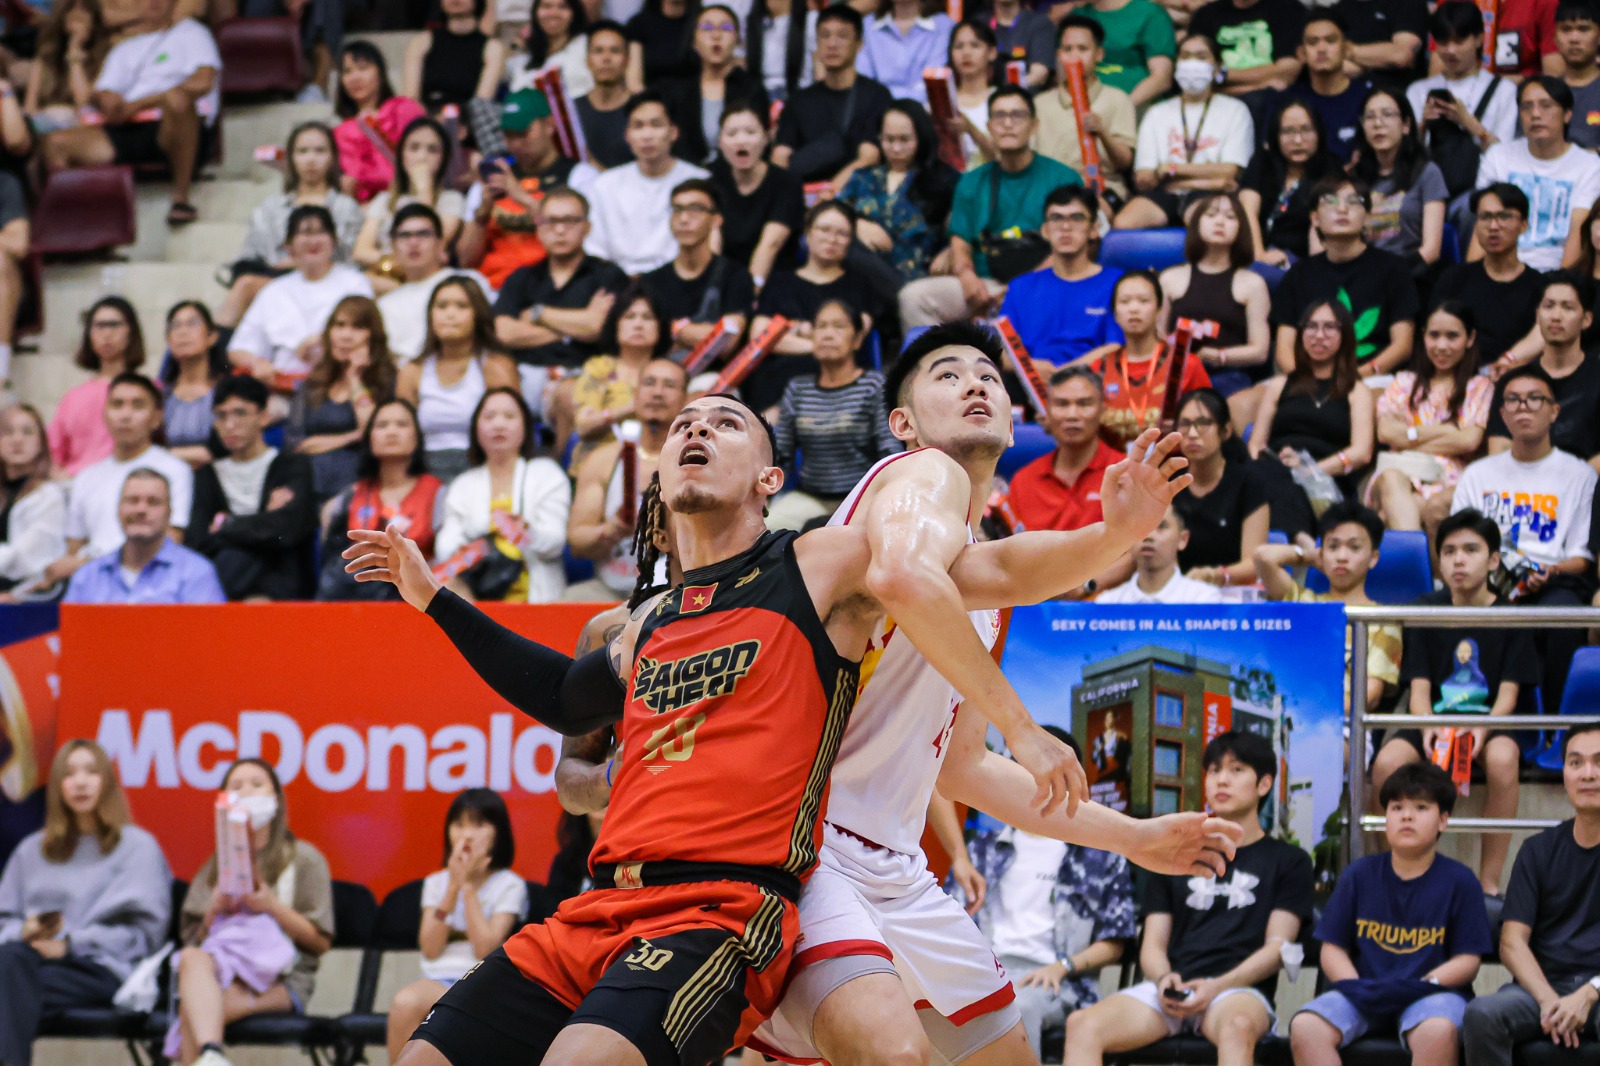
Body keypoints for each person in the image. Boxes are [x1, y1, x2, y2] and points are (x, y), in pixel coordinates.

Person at [351, 329, 1225, 1066]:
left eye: (990, 376)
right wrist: (1029, 719)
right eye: (947, 374)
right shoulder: (906, 489)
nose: (975, 384)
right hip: (797, 852)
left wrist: (1131, 835)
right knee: (887, 1053)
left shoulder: (944, 583)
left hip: (874, 863)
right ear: (900, 424)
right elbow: (572, 715)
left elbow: (963, 758)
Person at [1064, 731, 1314, 1066]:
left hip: (1237, 992)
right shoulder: (1175, 854)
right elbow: (1153, 944)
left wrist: (1217, 986)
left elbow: (1277, 948)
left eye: (1237, 770)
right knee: (1082, 1024)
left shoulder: (1289, 861)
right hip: (1173, 988)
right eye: (1214, 770)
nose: (1221, 780)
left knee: (1238, 1028)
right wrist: (1163, 979)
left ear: (1264, 784)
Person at [1370, 509, 1540, 895]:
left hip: (1491, 719)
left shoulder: (1514, 617)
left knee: (1503, 759)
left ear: (1493, 560)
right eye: (1448, 551)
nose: (1458, 560)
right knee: (1386, 763)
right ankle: (1389, 872)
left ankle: (1489, 883)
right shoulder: (1424, 610)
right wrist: (1429, 726)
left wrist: (1480, 728)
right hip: (1432, 716)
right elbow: (1419, 692)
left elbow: (1508, 696)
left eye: (1470, 550)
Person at [942, 729, 1137, 1057]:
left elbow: (1116, 942)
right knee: (927, 1005)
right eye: (1020, 769)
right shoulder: (982, 851)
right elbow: (947, 921)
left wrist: (1063, 966)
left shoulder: (1099, 856)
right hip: (986, 971)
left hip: (1057, 978)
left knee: (1016, 1007)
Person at [1289, 762, 1492, 1066]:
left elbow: (1468, 960)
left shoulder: (1461, 881)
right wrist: (1356, 986)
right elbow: (1332, 948)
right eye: (1397, 808)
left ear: (1443, 821)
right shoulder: (1358, 875)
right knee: (1306, 1027)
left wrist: (1428, 982)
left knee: (1438, 1031)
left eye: (1421, 807)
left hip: (1432, 994)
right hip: (1363, 991)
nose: (1406, 816)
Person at [0, 739, 171, 1066]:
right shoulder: (30, 851)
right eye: (69, 774)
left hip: (100, 970)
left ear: (107, 781)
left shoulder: (138, 848)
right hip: (27, 964)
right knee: (10, 971)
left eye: (91, 772)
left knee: (8, 985)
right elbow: (4, 923)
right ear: (56, 786)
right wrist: (25, 932)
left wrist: (68, 944)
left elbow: (143, 938)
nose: (80, 782)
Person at [1453, 363, 1596, 718]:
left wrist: (1548, 571)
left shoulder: (1579, 475)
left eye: (1534, 399)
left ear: (1554, 411)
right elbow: (1459, 541)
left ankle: (1558, 728)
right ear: (1502, 414)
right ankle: (1475, 720)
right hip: (1490, 580)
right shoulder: (1477, 474)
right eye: (1513, 400)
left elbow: (1582, 557)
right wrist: (1499, 573)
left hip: (1554, 582)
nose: (1523, 408)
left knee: (1565, 616)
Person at [170, 758, 333, 1066]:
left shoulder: (305, 860)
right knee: (191, 960)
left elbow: (320, 942)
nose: (246, 792)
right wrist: (215, 909)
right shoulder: (214, 866)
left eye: (257, 785)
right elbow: (193, 940)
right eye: (236, 786)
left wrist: (271, 906)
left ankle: (210, 1053)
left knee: (194, 1011)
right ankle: (211, 1054)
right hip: (223, 972)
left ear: (276, 799)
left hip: (284, 979)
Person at [1461, 723, 1600, 1066]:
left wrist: (1589, 993)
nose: (1588, 774)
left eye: (1599, 762)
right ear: (1564, 774)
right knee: (1482, 1015)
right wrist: (1549, 1000)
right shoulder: (1537, 850)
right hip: (1541, 985)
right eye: (1576, 762)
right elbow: (1511, 942)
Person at [900, 86, 1081, 328]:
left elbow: (1078, 244)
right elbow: (960, 241)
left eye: (1017, 115)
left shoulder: (1062, 178)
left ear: (1034, 125)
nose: (1008, 124)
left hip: (1047, 281)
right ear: (989, 126)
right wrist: (967, 276)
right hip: (987, 285)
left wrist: (1021, 289)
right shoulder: (972, 181)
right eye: (999, 116)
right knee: (914, 298)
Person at [40, 0, 219, 226]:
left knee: (177, 100)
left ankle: (181, 199)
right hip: (128, 128)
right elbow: (103, 91)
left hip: (173, 128)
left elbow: (203, 82)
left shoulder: (192, 33)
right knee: (56, 143)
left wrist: (141, 104)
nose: (153, 2)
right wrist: (107, 100)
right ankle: (71, 222)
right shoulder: (124, 47)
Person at [384, 789, 528, 1066]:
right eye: (459, 824)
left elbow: (485, 949)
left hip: (482, 982)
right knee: (405, 1003)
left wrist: (468, 887)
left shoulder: (510, 885)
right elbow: (430, 948)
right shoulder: (436, 883)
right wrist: (453, 886)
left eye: (479, 824)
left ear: (498, 833)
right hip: (436, 979)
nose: (467, 835)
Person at [1255, 502, 1403, 718]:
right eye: (1333, 547)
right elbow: (1263, 557)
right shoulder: (1303, 602)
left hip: (1345, 724)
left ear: (1373, 558)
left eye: (1354, 548)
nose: (1342, 556)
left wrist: (1312, 713)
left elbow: (1369, 698)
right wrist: (1308, 556)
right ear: (1321, 553)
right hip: (1287, 717)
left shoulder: (1382, 620)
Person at [47, 374, 194, 589]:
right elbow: (74, 548)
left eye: (137, 405)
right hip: (92, 587)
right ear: (104, 414)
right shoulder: (87, 477)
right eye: (117, 405)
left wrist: (87, 563)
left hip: (152, 585)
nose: (125, 415)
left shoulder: (175, 470)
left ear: (156, 418)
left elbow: (171, 542)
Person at [768, 300, 900, 531]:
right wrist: (763, 497)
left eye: (839, 326)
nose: (828, 334)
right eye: (821, 326)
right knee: (767, 529)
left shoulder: (874, 385)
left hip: (861, 498)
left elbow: (889, 451)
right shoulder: (798, 389)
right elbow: (781, 455)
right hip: (810, 497)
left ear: (857, 339)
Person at [220, 121, 365, 330]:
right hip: (275, 282)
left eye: (320, 151)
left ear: (333, 157)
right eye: (302, 151)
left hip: (328, 283)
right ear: (291, 159)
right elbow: (249, 257)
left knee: (246, 286)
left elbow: (352, 261)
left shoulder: (346, 207)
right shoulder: (269, 209)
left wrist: (300, 263)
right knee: (244, 285)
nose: (311, 159)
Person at [1270, 175, 1418, 377]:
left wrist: (1357, 377)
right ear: (1315, 218)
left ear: (1367, 217)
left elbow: (1402, 345)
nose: (1342, 209)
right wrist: (1306, 381)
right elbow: (1284, 349)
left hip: (1371, 378)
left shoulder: (1393, 269)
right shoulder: (1298, 274)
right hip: (1307, 380)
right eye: (1330, 202)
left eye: (1353, 202)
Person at [564, 358, 687, 599]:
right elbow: (577, 542)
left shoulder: (695, 460)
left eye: (669, 385)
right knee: (570, 600)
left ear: (685, 399)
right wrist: (611, 530)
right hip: (610, 589)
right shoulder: (603, 460)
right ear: (635, 394)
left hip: (676, 590)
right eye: (649, 383)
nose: (657, 392)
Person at [186, 376, 316, 602]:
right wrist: (264, 524)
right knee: (231, 559)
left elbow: (288, 530)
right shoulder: (207, 474)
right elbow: (198, 540)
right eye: (221, 416)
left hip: (281, 589)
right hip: (227, 584)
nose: (229, 425)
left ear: (263, 416)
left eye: (240, 413)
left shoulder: (292, 466)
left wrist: (226, 524)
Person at [435, 387, 571, 603]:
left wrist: (527, 532)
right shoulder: (462, 485)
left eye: (509, 416)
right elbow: (445, 547)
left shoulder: (547, 474)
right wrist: (472, 548)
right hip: (476, 598)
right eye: (489, 417)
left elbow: (555, 542)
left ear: (525, 426)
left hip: (536, 597)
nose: (498, 424)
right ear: (476, 428)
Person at [492, 186, 627, 398]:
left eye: (570, 221)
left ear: (587, 227)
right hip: (524, 373)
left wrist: (538, 314)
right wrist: (575, 327)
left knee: (568, 393)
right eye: (551, 221)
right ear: (539, 227)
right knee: (495, 368)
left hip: (584, 374)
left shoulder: (609, 275)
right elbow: (503, 332)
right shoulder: (522, 277)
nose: (560, 230)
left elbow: (598, 327)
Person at [1372, 303, 1494, 534]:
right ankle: (1414, 551)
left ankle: (1412, 553)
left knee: (1407, 509)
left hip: (1447, 481)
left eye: (1452, 336)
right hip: (1399, 473)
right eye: (1434, 335)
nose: (1441, 345)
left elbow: (1468, 441)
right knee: (1390, 478)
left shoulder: (1479, 386)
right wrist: (1445, 431)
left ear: (1470, 339)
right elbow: (1385, 432)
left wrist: (1406, 439)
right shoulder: (1404, 382)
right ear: (1424, 336)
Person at [747, 200, 879, 414]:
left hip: (836, 376)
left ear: (850, 240)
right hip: (777, 376)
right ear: (807, 233)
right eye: (824, 229)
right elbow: (760, 337)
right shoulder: (780, 282)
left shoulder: (859, 284)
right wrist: (821, 345)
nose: (832, 239)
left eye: (842, 233)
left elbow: (854, 336)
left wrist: (794, 331)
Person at [1114, 35, 1255, 231]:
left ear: (1217, 67)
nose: (1192, 63)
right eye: (1185, 56)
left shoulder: (1235, 110)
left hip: (1209, 195)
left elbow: (1230, 171)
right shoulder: (1156, 112)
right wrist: (1213, 180)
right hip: (1166, 194)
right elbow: (1144, 177)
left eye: (1201, 56)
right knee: (1123, 223)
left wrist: (1171, 169)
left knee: (1205, 225)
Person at [228, 205, 376, 386]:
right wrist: (257, 363)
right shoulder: (274, 290)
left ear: (334, 241)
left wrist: (321, 341)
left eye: (321, 232)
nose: (313, 240)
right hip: (282, 386)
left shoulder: (355, 283)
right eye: (305, 233)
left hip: (340, 382)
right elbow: (238, 349)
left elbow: (369, 333)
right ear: (288, 245)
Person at [316, 399, 446, 602]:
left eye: (401, 424)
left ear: (417, 437)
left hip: (419, 598)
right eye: (382, 425)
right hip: (358, 598)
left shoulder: (439, 493)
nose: (391, 432)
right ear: (370, 438)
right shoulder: (351, 496)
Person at [398, 277, 521, 483]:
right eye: (442, 306)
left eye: (461, 306)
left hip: (482, 469)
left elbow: (514, 432)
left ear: (478, 315)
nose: (450, 314)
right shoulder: (412, 371)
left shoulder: (496, 367)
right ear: (430, 315)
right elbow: (402, 435)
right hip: (424, 473)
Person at [1251, 299, 1377, 497]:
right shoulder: (1279, 385)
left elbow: (1362, 453)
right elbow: (1256, 445)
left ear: (1344, 335)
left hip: (1327, 485)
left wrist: (1310, 471)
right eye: (1311, 326)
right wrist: (1273, 467)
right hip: (1277, 475)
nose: (1319, 335)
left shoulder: (1357, 391)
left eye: (1329, 327)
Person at [457, 88, 580, 289]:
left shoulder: (577, 176)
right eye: (509, 135)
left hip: (551, 285)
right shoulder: (492, 178)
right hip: (492, 288)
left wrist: (522, 197)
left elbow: (578, 242)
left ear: (549, 125)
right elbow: (465, 261)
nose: (515, 143)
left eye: (523, 133)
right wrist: (482, 214)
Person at [1405, 2, 1518, 220]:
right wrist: (1423, 126)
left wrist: (1468, 122)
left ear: (1479, 39)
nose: (1450, 50)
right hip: (1426, 191)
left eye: (1459, 41)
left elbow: (1506, 157)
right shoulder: (1418, 91)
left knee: (1471, 208)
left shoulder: (1504, 90)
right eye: (1443, 42)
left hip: (1479, 188)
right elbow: (1405, 156)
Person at [1475, 76, 1600, 272]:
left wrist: (1558, 281)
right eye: (1526, 107)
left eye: (1546, 106)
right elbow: (1484, 223)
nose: (1535, 114)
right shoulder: (1498, 157)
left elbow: (1579, 230)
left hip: (1556, 270)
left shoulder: (1589, 165)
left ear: (1567, 114)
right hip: (1502, 269)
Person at [1158, 192, 1272, 403]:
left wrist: (1218, 356)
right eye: (1211, 215)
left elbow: (1260, 351)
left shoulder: (1252, 283)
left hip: (1229, 378)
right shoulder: (1169, 279)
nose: (1220, 222)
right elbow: (1158, 336)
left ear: (1241, 229)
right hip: (1175, 374)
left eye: (1230, 217)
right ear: (1197, 224)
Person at [583, 91, 710, 276]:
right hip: (618, 281)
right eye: (638, 126)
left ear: (673, 132)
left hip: (680, 279)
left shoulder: (700, 182)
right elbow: (595, 250)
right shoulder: (604, 185)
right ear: (627, 135)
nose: (647, 135)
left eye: (656, 125)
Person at [1084, 270, 1214, 448]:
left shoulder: (1186, 364)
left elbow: (1207, 425)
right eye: (1125, 302)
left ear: (1159, 309)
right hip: (1116, 463)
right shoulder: (1099, 368)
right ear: (1115, 313)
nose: (1133, 309)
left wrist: (1182, 428)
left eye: (1143, 301)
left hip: (1174, 461)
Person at [287, 295, 397, 505]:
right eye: (339, 325)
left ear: (373, 336)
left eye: (357, 327)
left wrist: (355, 378)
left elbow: (372, 433)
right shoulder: (314, 383)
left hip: (358, 489)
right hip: (308, 487)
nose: (346, 336)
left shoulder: (386, 382)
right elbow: (296, 443)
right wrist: (352, 436)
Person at [836, 101, 959, 285]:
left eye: (904, 140)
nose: (896, 148)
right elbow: (831, 214)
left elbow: (968, 225)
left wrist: (951, 251)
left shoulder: (945, 179)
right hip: (862, 278)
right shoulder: (862, 178)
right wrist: (855, 224)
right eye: (889, 139)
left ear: (920, 138)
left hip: (920, 280)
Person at [553, 284, 674, 469]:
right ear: (616, 325)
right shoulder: (600, 368)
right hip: (599, 465)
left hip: (655, 465)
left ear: (660, 327)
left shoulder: (669, 372)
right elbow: (584, 426)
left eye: (647, 317)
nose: (638, 324)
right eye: (629, 316)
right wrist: (632, 406)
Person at [771, 5, 894, 188]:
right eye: (825, 35)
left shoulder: (876, 95)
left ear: (859, 44)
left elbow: (869, 157)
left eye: (842, 36)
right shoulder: (798, 100)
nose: (832, 44)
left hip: (855, 193)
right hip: (802, 193)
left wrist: (829, 193)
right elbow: (780, 156)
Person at [999, 186, 1120, 370]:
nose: (1066, 227)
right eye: (1056, 218)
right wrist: (1032, 369)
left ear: (1094, 228)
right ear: (1045, 230)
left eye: (1077, 218)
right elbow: (1000, 350)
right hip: (1029, 379)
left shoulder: (1117, 283)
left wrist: (1064, 373)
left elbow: (1118, 346)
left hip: (1094, 378)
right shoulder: (1020, 287)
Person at [1485, 274, 1600, 467]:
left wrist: (1574, 480)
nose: (1556, 316)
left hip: (1586, 481)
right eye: (1549, 306)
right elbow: (1499, 445)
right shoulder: (1513, 381)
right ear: (1537, 315)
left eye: (1568, 307)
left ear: (1586, 319)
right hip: (1521, 481)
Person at [62, 467, 224, 605]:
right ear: (118, 509)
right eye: (132, 500)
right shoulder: (87, 577)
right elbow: (69, 632)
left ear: (169, 514)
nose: (141, 510)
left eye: (153, 502)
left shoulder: (196, 573)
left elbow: (210, 632)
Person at [1432, 184, 1544, 368]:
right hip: (1460, 374)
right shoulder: (1454, 279)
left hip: (1516, 375)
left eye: (1504, 217)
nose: (1493, 226)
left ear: (1523, 225)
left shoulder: (1539, 286)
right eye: (1485, 217)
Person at [1172, 389, 1274, 587]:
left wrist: (1216, 576)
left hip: (1231, 592)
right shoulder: (1168, 483)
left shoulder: (1249, 482)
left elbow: (1253, 564)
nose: (1192, 433)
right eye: (1184, 424)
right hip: (1177, 594)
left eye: (1203, 423)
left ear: (1225, 431)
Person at [642, 178, 756, 356]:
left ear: (716, 220)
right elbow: (644, 339)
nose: (684, 219)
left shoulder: (734, 275)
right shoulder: (651, 281)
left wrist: (673, 329)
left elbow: (727, 342)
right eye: (677, 209)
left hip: (715, 372)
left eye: (695, 209)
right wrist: (699, 333)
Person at [1010, 365, 1127, 536]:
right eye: (1062, 404)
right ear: (1046, 413)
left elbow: (1136, 545)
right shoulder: (1023, 481)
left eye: (1084, 404)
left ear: (1102, 411)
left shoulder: (1126, 473)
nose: (1072, 415)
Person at [354, 118, 466, 294]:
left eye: (432, 150)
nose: (422, 157)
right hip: (382, 279)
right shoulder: (384, 199)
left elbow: (431, 247)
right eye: (414, 148)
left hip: (427, 283)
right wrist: (391, 267)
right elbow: (361, 251)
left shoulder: (452, 200)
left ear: (443, 158)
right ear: (402, 155)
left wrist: (424, 190)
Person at [1034, 17, 1137, 201]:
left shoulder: (1117, 99)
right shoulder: (1039, 103)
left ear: (1099, 54)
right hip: (1048, 187)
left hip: (1102, 187)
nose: (1074, 56)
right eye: (1067, 49)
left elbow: (1125, 162)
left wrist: (1102, 132)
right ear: (1058, 55)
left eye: (1083, 49)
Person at [707, 103, 806, 286]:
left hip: (776, 278)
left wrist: (751, 289)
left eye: (750, 132)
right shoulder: (712, 181)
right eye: (731, 134)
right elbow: (713, 243)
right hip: (727, 278)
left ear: (767, 137)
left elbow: (770, 245)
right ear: (720, 141)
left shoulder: (786, 183)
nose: (741, 141)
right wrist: (714, 288)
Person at [377, 204, 492, 362]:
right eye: (404, 235)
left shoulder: (469, 282)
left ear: (441, 244)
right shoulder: (384, 305)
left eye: (423, 234)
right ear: (393, 247)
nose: (413, 242)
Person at [47, 297, 146, 477]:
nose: (106, 333)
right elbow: (53, 454)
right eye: (99, 326)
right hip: (76, 483)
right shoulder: (73, 398)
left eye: (114, 325)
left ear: (131, 330)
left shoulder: (149, 391)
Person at [1350, 87, 1449, 267]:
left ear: (1406, 125)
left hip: (1410, 271)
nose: (1378, 123)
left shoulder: (1428, 173)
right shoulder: (1354, 176)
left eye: (1387, 114)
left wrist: (1393, 276)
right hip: (1363, 271)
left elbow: (1431, 250)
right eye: (1370, 117)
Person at [660, 5, 769, 165]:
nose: (716, 35)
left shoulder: (751, 88)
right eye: (706, 28)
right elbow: (676, 146)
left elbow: (759, 144)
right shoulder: (678, 91)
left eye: (726, 28)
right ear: (693, 41)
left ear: (738, 40)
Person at [1239, 100, 1341, 268]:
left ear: (1319, 133)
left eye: (1306, 130)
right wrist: (1259, 255)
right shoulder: (1263, 162)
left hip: (1302, 260)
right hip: (1256, 254)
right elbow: (1247, 210)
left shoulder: (1331, 168)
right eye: (1287, 131)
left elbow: (1325, 223)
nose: (1298, 140)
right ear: (1275, 135)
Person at [332, 39, 428, 205]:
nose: (354, 77)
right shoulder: (340, 132)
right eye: (347, 71)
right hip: (363, 208)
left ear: (380, 73)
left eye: (363, 68)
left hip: (409, 198)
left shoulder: (404, 109)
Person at [1281, 12, 1370, 163]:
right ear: (1301, 53)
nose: (1321, 48)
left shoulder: (1367, 100)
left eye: (1330, 40)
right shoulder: (1286, 102)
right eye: (1313, 42)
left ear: (1346, 49)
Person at [0, 406, 66, 600]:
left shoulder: (49, 495)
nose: (17, 439)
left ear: (40, 443)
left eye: (27, 432)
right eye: (8, 432)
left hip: (26, 599)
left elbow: (24, 560)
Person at [1098, 505, 1223, 603]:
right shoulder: (1107, 603)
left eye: (1162, 526)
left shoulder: (1203, 599)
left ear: (1182, 539)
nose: (1149, 535)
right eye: (1140, 526)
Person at [158, 299, 227, 470]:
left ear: (212, 337)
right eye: (176, 326)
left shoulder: (228, 391)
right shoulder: (158, 394)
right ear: (168, 341)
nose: (183, 332)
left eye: (192, 323)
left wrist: (169, 455)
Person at [1186, 0, 1303, 100]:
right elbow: (1198, 77)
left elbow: (1287, 70)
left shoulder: (1287, 9)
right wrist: (1258, 87)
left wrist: (1223, 75)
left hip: (1275, 103)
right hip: (1219, 104)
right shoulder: (1206, 15)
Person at [403, 0, 506, 112]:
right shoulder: (422, 42)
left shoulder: (492, 48)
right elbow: (411, 97)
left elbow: (482, 101)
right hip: (426, 116)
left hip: (470, 117)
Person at [25, 0, 113, 131]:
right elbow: (30, 106)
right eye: (71, 10)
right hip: (45, 121)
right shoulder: (46, 56)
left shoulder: (106, 56)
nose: (77, 16)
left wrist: (74, 54)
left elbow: (84, 102)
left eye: (84, 11)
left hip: (81, 123)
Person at [855, 0, 954, 105]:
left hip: (925, 108)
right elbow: (863, 80)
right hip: (876, 107)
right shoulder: (867, 24)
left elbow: (934, 80)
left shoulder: (943, 25)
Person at [1079, 0, 1175, 108]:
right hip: (1083, 105)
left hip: (1135, 106)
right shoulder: (1078, 15)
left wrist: (1122, 109)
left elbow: (1161, 78)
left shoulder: (1150, 13)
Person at [1331, 0, 1428, 90]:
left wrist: (1348, 51)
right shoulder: (1336, 11)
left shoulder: (1406, 3)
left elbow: (1402, 55)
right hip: (1348, 95)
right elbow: (1331, 64)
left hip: (1396, 94)